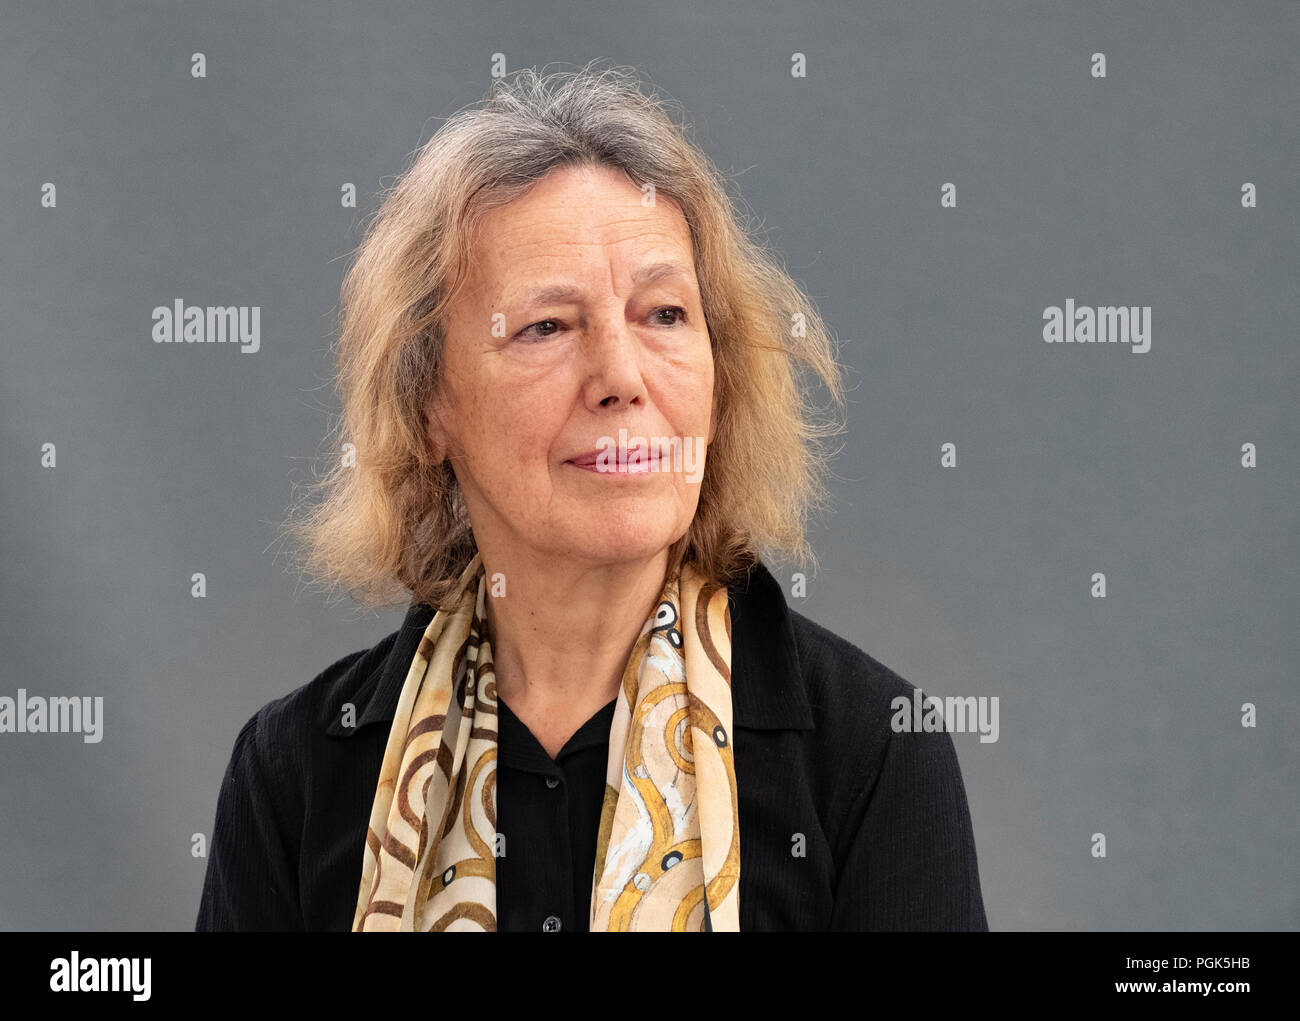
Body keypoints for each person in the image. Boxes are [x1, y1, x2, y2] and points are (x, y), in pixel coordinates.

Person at [195, 61, 988, 932]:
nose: (620, 376)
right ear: (427, 407)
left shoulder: (870, 753)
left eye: (664, 315)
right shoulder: (297, 773)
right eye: (546, 326)